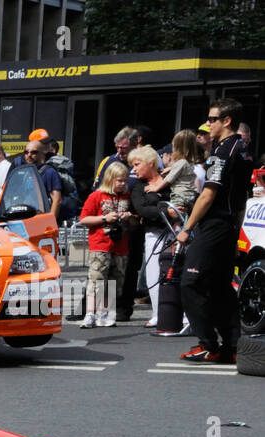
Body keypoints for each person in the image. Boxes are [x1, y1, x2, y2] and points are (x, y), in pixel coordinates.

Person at [177, 98, 253, 363]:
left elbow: (208, 195)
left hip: (215, 225)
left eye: (212, 119)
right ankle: (232, 345)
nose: (208, 124)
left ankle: (208, 343)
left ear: (226, 121)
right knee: (220, 285)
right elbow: (242, 197)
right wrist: (236, 231)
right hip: (229, 225)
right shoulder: (243, 149)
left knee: (191, 281)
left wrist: (187, 228)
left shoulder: (223, 152)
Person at [77, 162, 136, 328]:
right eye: (119, 180)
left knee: (114, 281)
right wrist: (104, 219)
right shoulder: (96, 196)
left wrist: (128, 216)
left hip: (120, 246)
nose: (123, 183)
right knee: (96, 279)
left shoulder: (127, 197)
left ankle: (105, 312)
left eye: (125, 180)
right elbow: (84, 219)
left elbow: (135, 221)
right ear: (110, 179)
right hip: (100, 244)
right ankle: (90, 313)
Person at [127, 145, 173, 327]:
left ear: (151, 163)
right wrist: (166, 210)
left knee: (173, 274)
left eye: (137, 164)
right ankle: (157, 313)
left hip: (175, 233)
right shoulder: (139, 187)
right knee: (153, 274)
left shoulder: (170, 178)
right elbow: (142, 209)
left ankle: (176, 312)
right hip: (153, 234)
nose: (133, 169)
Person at [153, 129, 199, 214]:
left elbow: (169, 178)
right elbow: (182, 169)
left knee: (173, 213)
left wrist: (156, 188)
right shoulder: (189, 162)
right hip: (190, 193)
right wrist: (170, 168)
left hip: (180, 194)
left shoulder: (180, 163)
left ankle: (178, 226)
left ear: (178, 148)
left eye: (174, 145)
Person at [23, 138, 62, 219]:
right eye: (26, 152)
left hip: (42, 220)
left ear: (43, 154)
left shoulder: (49, 172)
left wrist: (50, 223)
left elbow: (57, 200)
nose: (29, 155)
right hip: (28, 218)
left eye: (34, 152)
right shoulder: (27, 172)